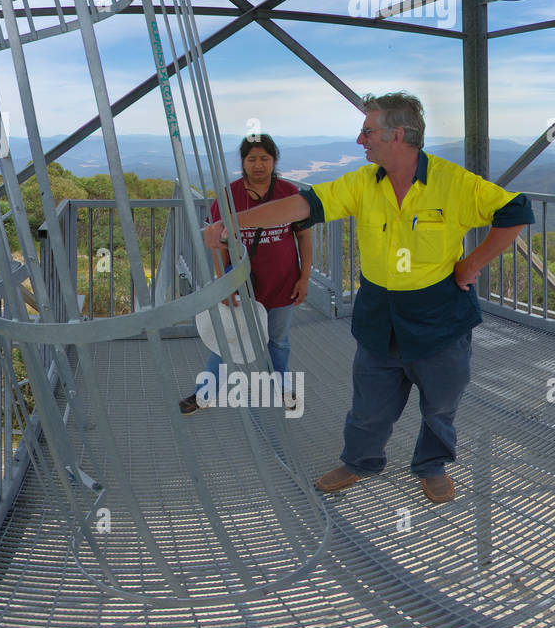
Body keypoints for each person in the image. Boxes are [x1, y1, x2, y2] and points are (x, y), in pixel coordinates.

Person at [204, 92, 533, 504]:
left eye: (367, 131)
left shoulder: (454, 183)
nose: (361, 140)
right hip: (380, 314)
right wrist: (233, 223)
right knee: (369, 404)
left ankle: (431, 466)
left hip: (440, 317)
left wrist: (470, 265)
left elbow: (516, 211)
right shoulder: (362, 183)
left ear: (397, 135)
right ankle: (360, 461)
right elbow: (302, 204)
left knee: (440, 404)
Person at [178, 133, 312, 414]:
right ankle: (205, 394)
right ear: (243, 162)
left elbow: (304, 238)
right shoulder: (229, 196)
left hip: (283, 282)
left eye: (265, 158)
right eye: (252, 159)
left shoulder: (289, 194)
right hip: (241, 284)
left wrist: (304, 278)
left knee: (278, 340)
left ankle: (283, 390)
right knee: (226, 340)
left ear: (274, 161)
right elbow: (217, 245)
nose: (258, 164)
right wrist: (224, 284)